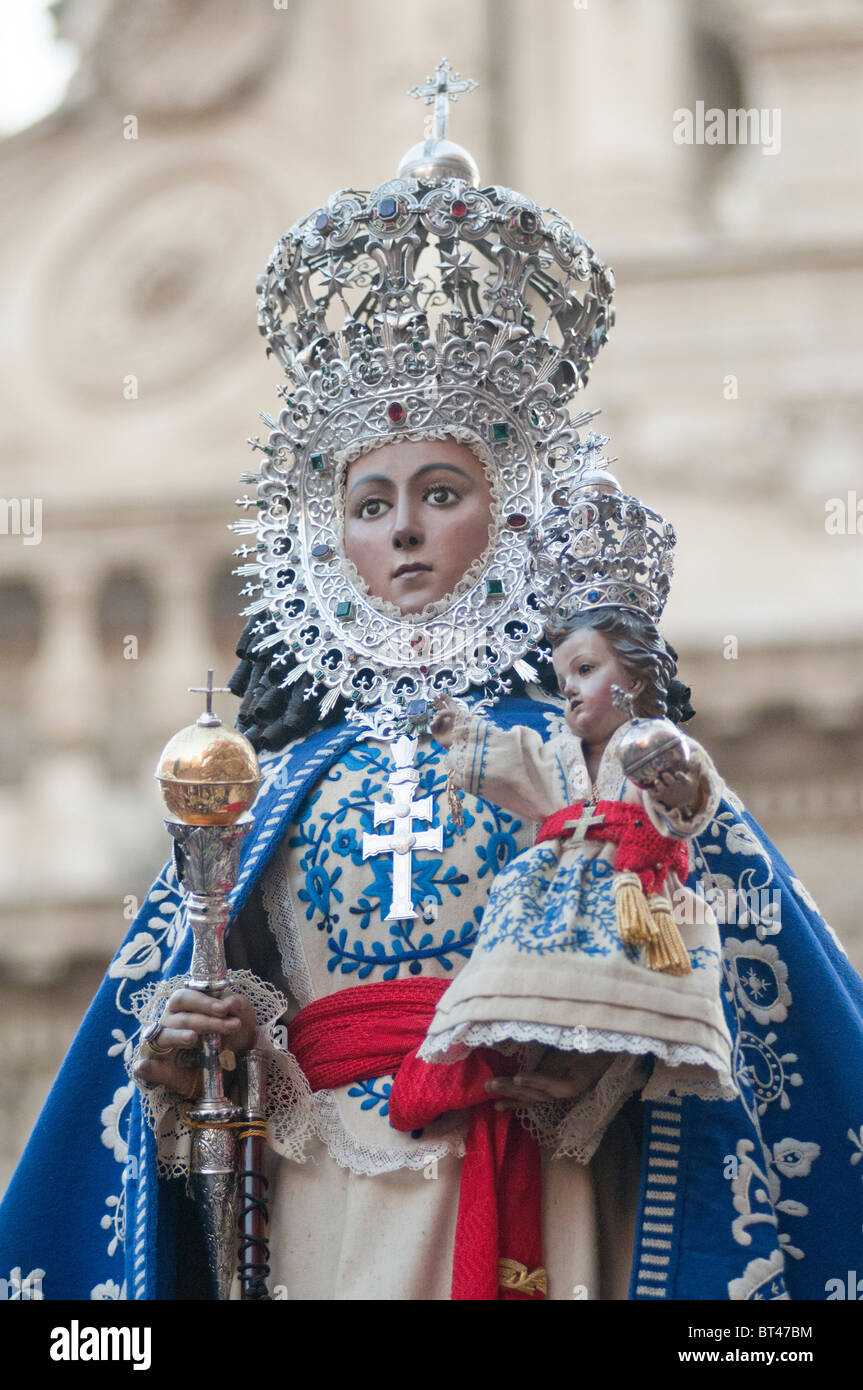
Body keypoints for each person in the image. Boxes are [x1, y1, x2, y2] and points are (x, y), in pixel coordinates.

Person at [2, 60, 863, 1303]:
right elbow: (169, 1129)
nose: (403, 530)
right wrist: (205, 1066)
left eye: (440, 494)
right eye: (369, 502)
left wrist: (584, 1048)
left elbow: (719, 986)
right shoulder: (276, 792)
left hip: (535, 1192)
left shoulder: (585, 763)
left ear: (508, 521)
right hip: (321, 1219)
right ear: (329, 541)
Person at [422, 605, 737, 1109]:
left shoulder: (654, 743)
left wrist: (679, 788)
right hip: (556, 876)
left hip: (634, 885)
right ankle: (531, 1023)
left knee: (632, 968)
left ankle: (604, 1048)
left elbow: (689, 805)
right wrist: (451, 727)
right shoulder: (558, 754)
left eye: (585, 671)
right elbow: (510, 760)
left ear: (635, 680)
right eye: (562, 678)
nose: (568, 688)